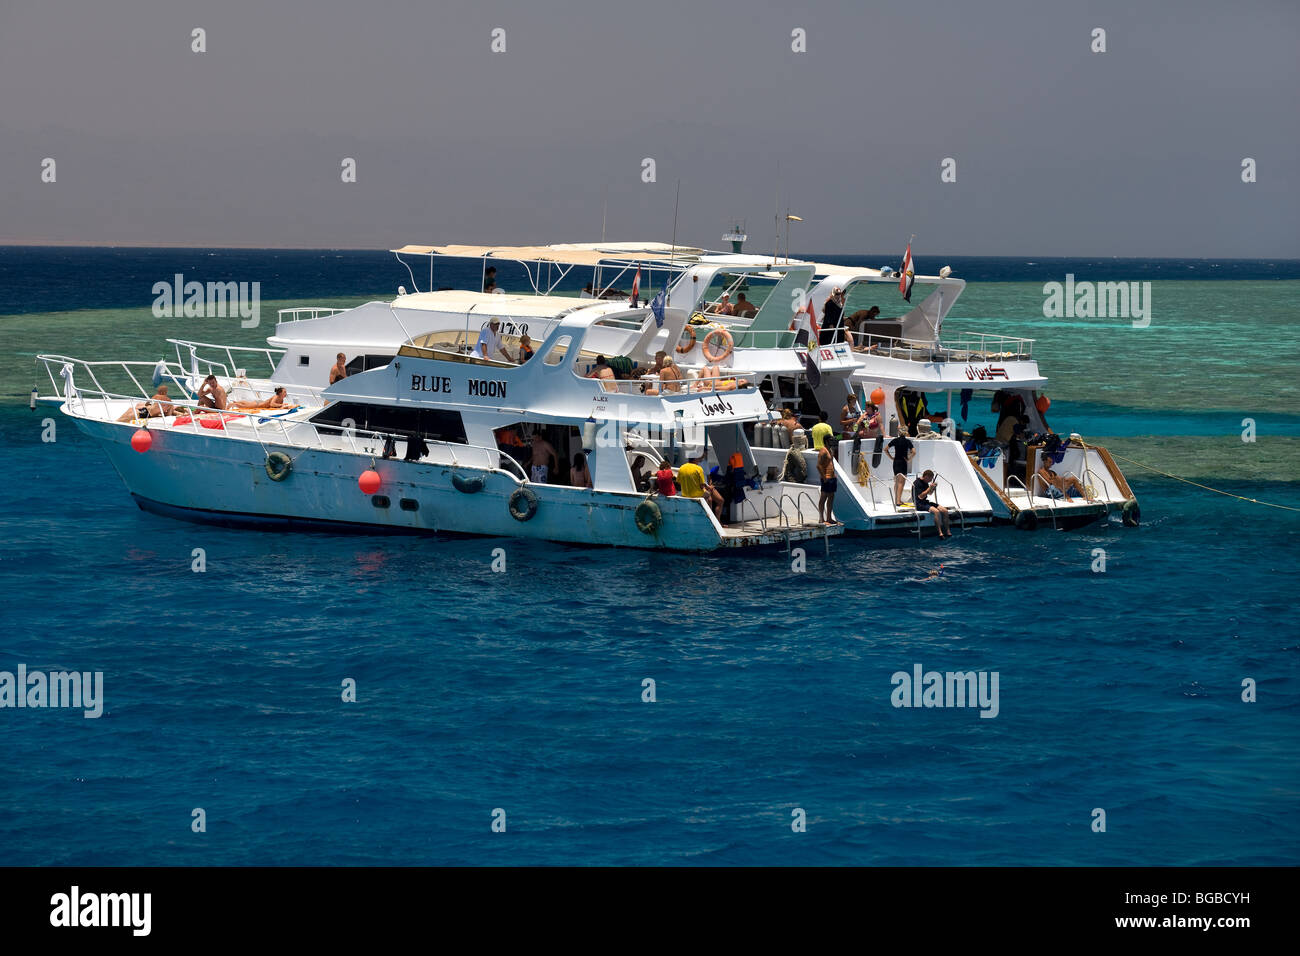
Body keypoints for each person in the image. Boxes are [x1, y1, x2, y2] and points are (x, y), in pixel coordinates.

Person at [913, 469, 952, 538]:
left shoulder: (925, 482)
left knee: (945, 511)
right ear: (926, 476)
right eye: (930, 479)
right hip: (919, 503)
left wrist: (933, 488)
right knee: (936, 512)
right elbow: (921, 497)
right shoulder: (917, 483)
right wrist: (929, 488)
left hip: (925, 502)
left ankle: (948, 531)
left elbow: (929, 493)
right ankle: (940, 533)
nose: (930, 481)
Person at [886, 430, 915, 506]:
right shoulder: (907, 441)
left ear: (899, 433)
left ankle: (896, 500)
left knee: (896, 482)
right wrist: (909, 459)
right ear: (905, 433)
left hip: (895, 462)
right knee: (901, 483)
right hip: (903, 462)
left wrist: (891, 457)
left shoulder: (895, 440)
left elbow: (885, 449)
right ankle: (898, 501)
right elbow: (914, 452)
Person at [817, 435, 839, 524]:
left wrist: (834, 474)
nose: (832, 441)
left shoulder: (830, 450)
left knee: (831, 497)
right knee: (823, 497)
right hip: (826, 478)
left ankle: (829, 518)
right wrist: (824, 477)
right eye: (830, 440)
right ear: (826, 441)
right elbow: (818, 466)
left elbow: (831, 463)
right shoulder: (823, 451)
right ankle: (821, 518)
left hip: (832, 478)